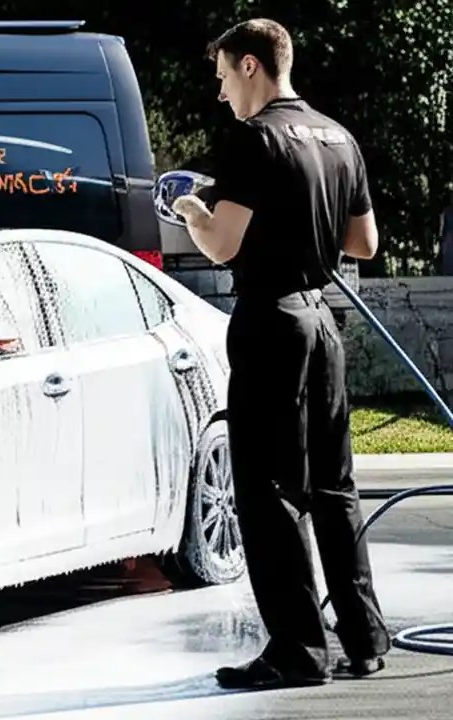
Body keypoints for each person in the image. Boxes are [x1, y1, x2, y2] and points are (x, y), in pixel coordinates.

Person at [171, 18, 391, 690]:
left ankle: (297, 649)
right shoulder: (337, 136)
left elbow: (224, 245)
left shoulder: (254, 138)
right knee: (334, 485)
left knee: (269, 493)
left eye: (221, 79)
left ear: (248, 66)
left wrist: (189, 210)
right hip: (324, 323)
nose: (220, 96)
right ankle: (365, 636)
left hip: (271, 320)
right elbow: (365, 244)